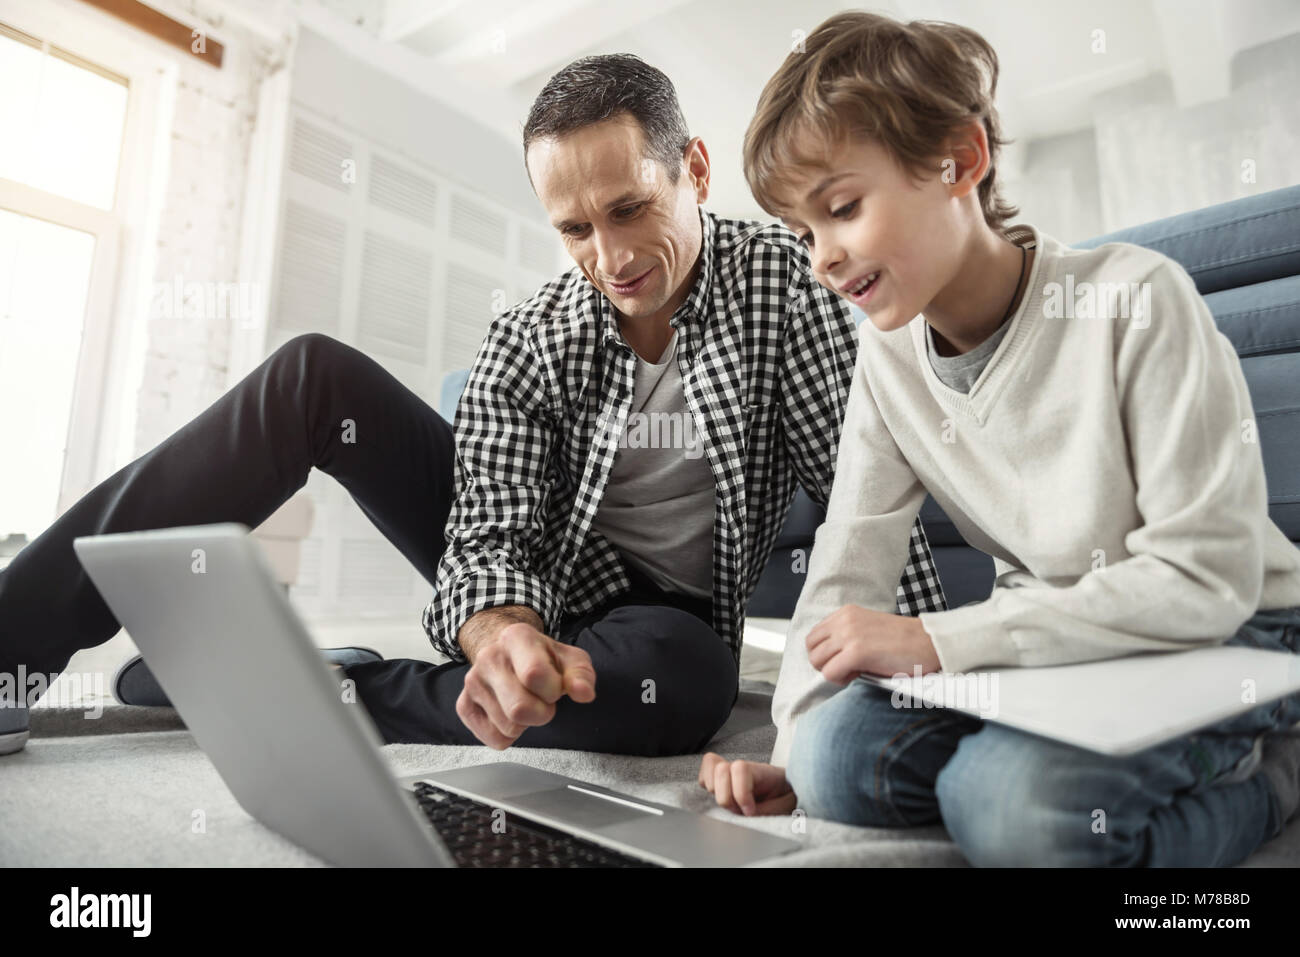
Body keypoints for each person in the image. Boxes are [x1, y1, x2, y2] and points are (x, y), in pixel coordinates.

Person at [0, 53, 947, 758]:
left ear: (693, 172)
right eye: (574, 228)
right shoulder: (529, 333)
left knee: (681, 693)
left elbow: (868, 499)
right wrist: (499, 634)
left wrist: (921, 699)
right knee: (311, 376)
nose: (609, 258)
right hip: (542, 566)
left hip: (665, 618)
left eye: (629, 209)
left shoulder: (790, 282)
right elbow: (488, 532)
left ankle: (310, 687)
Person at [698, 10, 1300, 866]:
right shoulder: (887, 358)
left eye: (842, 208)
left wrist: (945, 641)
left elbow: (1203, 580)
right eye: (803, 233)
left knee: (1015, 810)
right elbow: (847, 562)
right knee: (833, 761)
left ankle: (1276, 775)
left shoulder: (1136, 298)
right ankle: (1017, 770)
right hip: (1059, 648)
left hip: (1236, 631)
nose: (822, 258)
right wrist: (788, 750)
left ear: (962, 159)